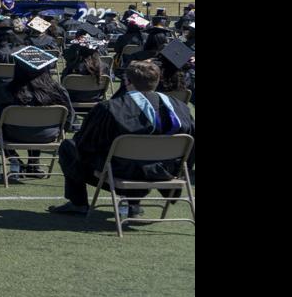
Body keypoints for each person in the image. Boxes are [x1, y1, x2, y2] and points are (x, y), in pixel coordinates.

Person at [50, 60, 193, 220]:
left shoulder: (110, 108)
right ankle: (133, 203)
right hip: (163, 171)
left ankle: (78, 203)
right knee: (135, 156)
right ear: (157, 80)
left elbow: (85, 144)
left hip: (120, 171)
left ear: (126, 81)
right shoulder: (180, 108)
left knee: (69, 147)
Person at [0, 46, 70, 177]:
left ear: (17, 68)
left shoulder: (3, 90)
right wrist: (60, 131)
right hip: (47, 135)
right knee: (37, 122)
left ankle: (15, 159)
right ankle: (34, 164)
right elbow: (69, 117)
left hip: (13, 135)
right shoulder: (58, 90)